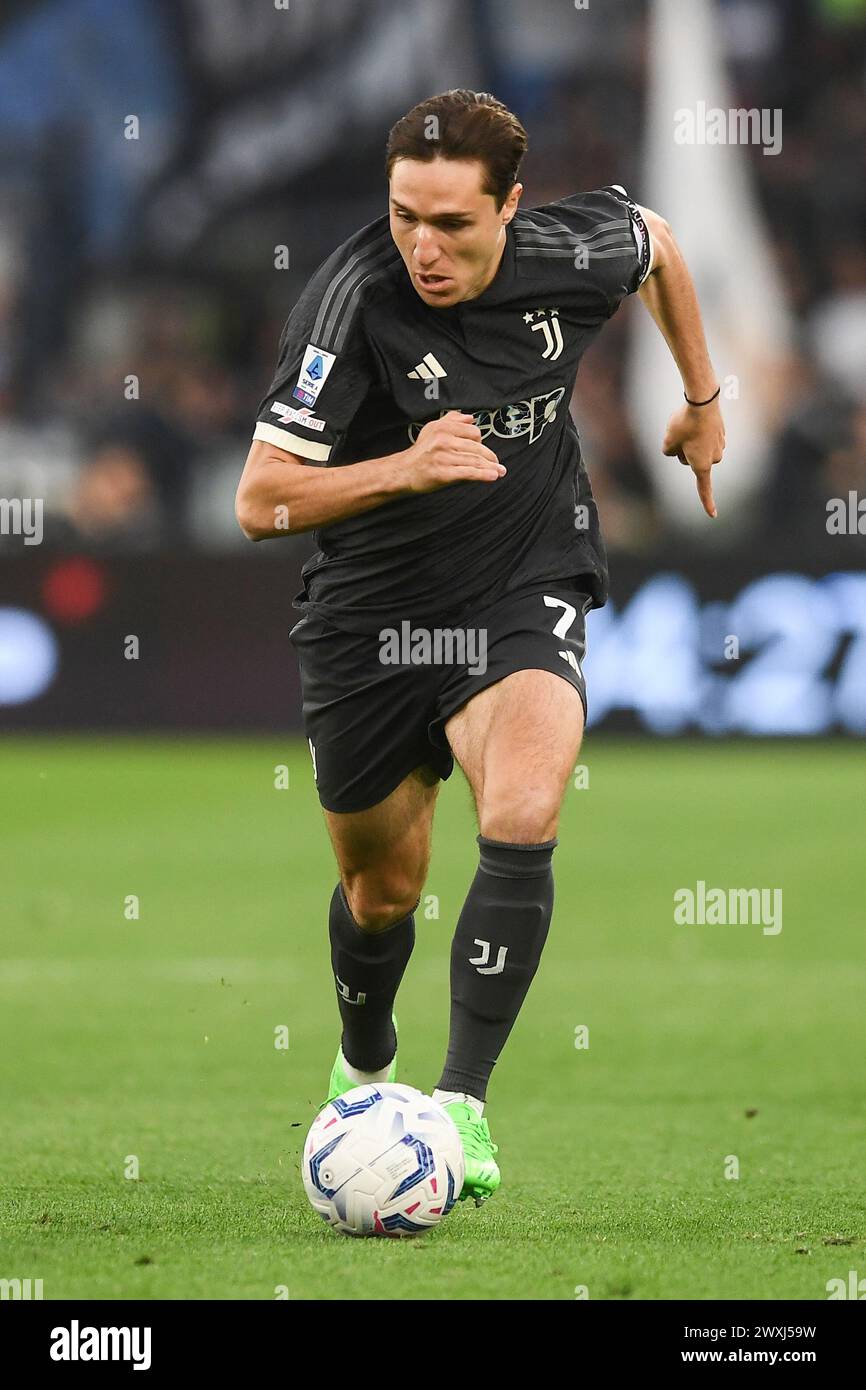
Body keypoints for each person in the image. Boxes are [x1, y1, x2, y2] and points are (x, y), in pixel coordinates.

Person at [235, 90, 725, 1207]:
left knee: (521, 811)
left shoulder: (570, 248)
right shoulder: (349, 300)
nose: (423, 245)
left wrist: (702, 398)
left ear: (510, 207)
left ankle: (460, 1102)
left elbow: (658, 246)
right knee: (380, 892)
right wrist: (402, 467)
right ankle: (365, 1061)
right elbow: (258, 502)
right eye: (406, 214)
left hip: (523, 575)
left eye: (453, 222)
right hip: (369, 617)